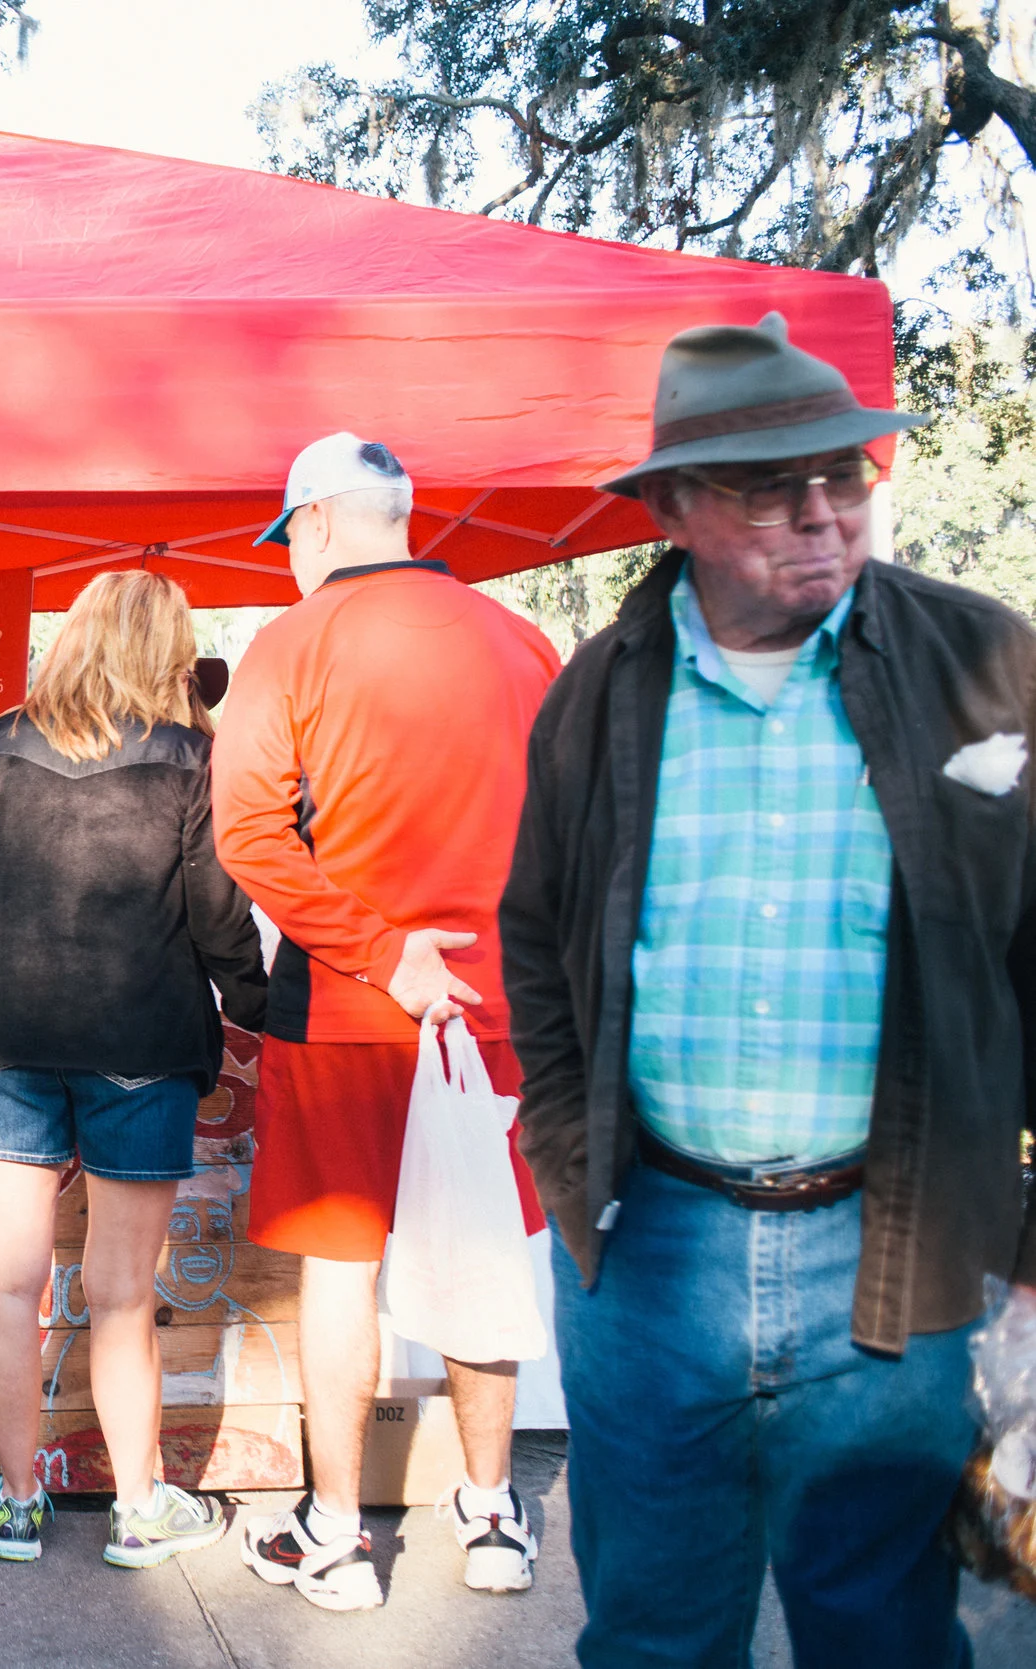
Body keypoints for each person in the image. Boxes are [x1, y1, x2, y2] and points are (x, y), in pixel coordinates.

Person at [502, 313, 1035, 1668]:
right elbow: (538, 944)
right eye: (767, 486)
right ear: (675, 508)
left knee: (884, 1633)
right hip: (653, 1247)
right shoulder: (602, 691)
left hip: (895, 1249)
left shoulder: (984, 668)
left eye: (846, 474)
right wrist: (576, 1172)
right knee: (655, 1635)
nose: (821, 513)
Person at [213, 432, 560, 1610]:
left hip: (348, 1008)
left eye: (288, 540)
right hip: (495, 1010)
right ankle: (491, 1513)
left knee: (337, 1268)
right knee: (483, 1260)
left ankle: (336, 1533)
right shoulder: (522, 641)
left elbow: (248, 835)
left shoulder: (289, 640)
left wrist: (378, 954)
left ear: (310, 525)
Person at [0, 569, 268, 1567]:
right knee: (123, 1290)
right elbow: (218, 919)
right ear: (167, 653)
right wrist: (261, 1005)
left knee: (9, 1283)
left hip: (11, 1040)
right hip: (140, 1046)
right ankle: (136, 1509)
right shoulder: (188, 757)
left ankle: (21, 1504)